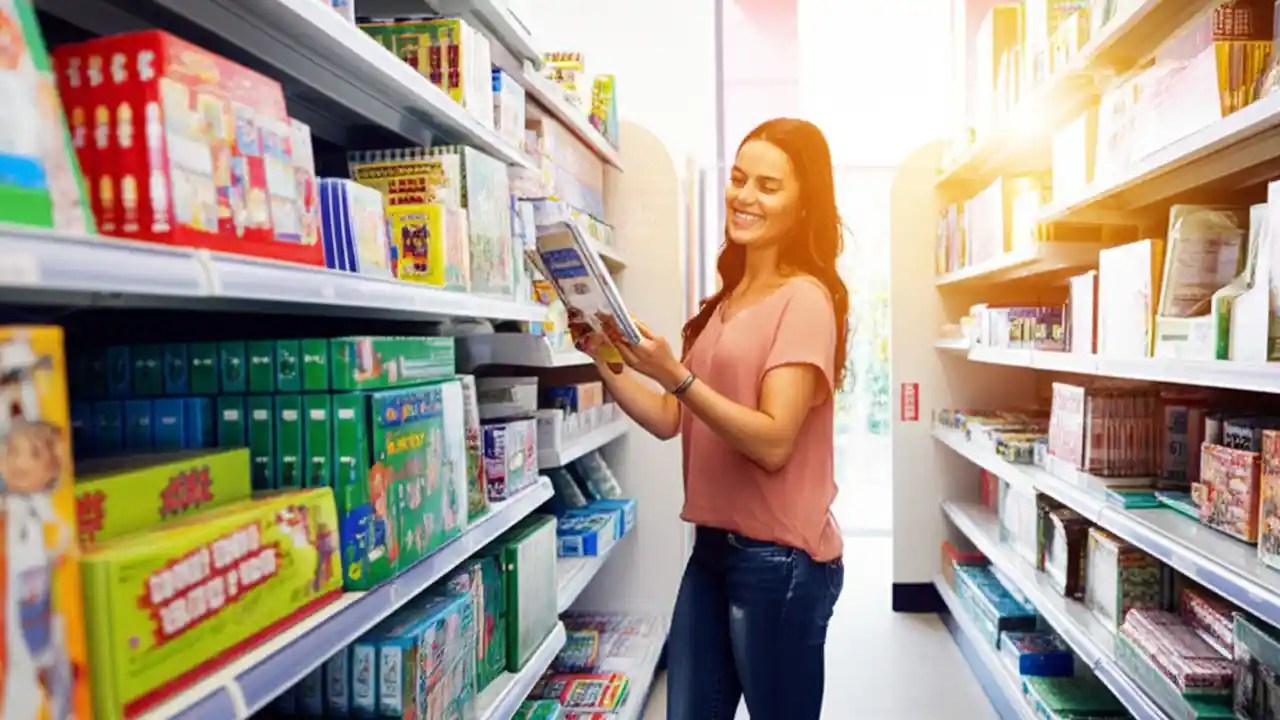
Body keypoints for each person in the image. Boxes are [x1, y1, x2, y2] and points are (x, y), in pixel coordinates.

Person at [570, 117, 849, 720]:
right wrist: (605, 356)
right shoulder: (725, 300)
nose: (745, 196)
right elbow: (673, 417)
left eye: (769, 186)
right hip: (713, 551)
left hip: (780, 563)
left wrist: (677, 374)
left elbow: (774, 440)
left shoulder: (805, 300)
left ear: (804, 206)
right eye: (740, 178)